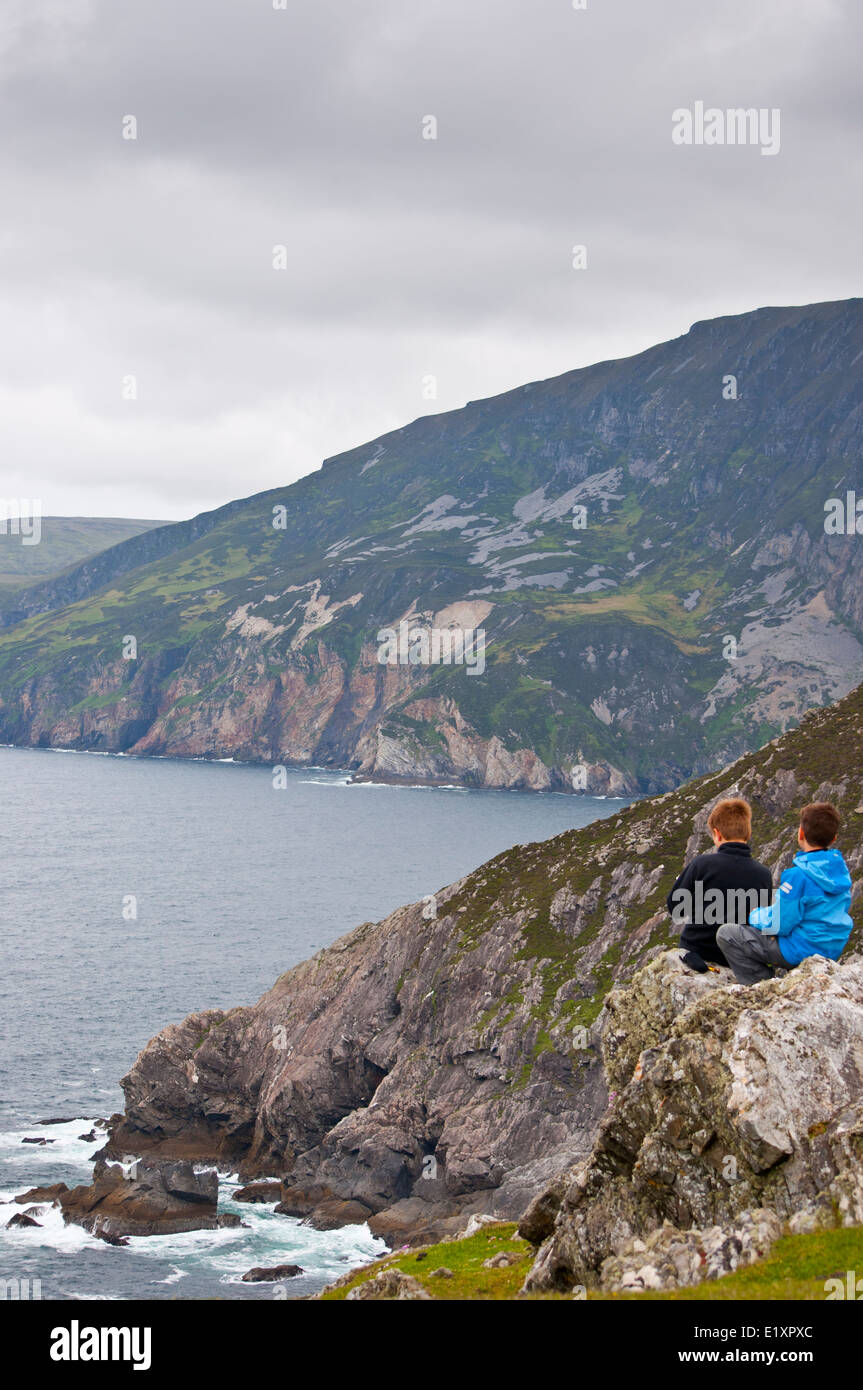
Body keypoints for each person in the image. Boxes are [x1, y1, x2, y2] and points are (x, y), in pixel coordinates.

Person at [717, 801, 853, 985]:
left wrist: (755, 916)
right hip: (831, 948)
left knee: (727, 934)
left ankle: (760, 986)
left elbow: (779, 924)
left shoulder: (799, 876)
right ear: (834, 838)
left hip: (800, 950)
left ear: (801, 833)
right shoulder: (841, 873)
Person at [668, 797, 772, 973]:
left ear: (717, 834)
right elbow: (761, 921)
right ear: (748, 834)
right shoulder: (763, 874)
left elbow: (675, 908)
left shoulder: (701, 864)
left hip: (698, 951)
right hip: (737, 956)